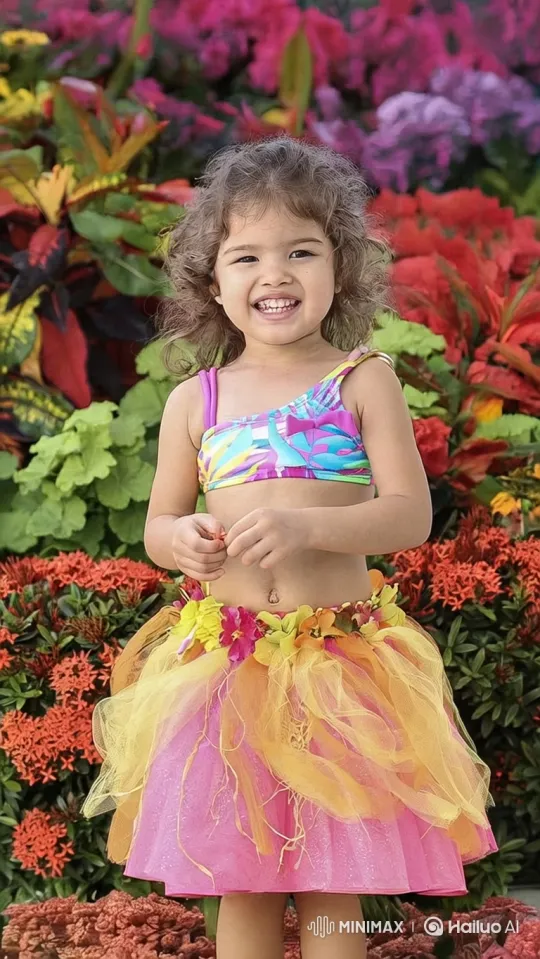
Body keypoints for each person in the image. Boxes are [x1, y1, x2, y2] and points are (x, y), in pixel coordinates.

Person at [82, 137, 498, 959]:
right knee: (243, 874)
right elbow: (158, 526)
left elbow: (409, 514)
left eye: (300, 251)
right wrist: (184, 540)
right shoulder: (195, 401)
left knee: (332, 873)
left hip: (338, 663)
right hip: (227, 669)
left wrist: (310, 526)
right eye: (246, 256)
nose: (274, 274)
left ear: (339, 269)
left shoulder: (360, 377)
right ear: (213, 283)